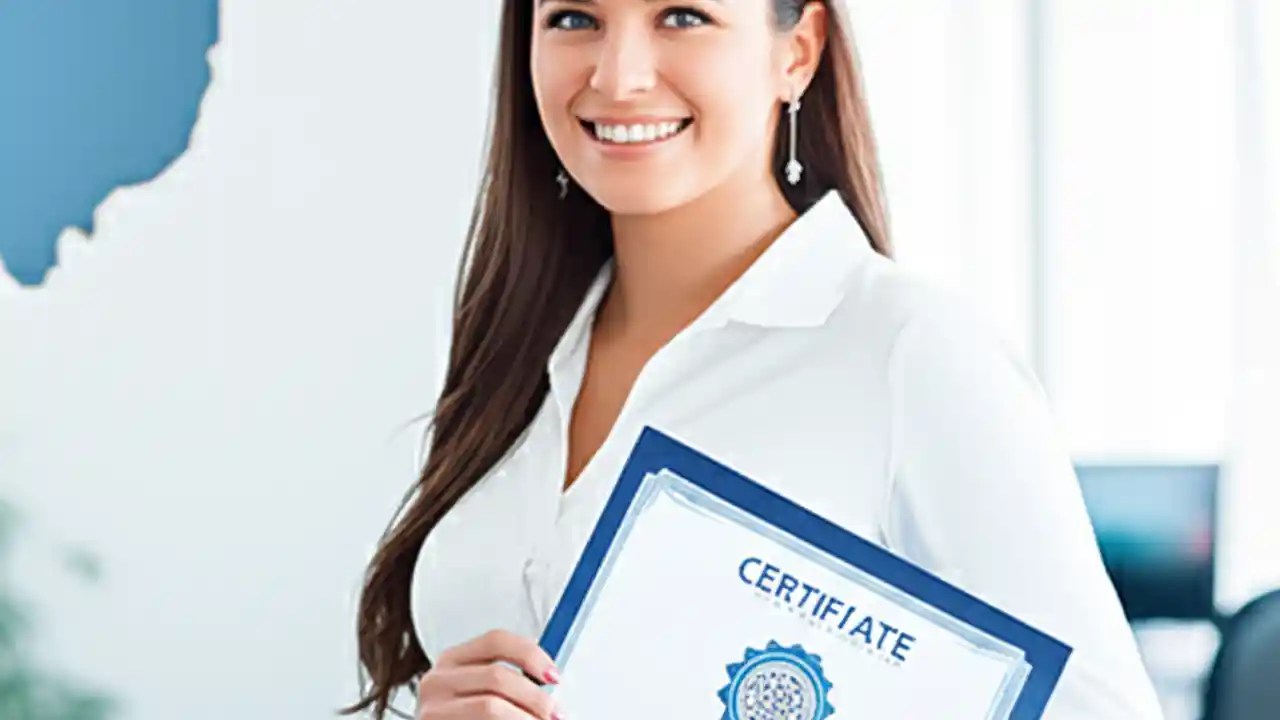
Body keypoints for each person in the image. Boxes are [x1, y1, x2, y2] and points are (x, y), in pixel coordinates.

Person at [343, 1, 1164, 718]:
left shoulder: (909, 351)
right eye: (574, 19)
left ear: (796, 52)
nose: (618, 76)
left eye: (682, 16)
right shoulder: (517, 352)